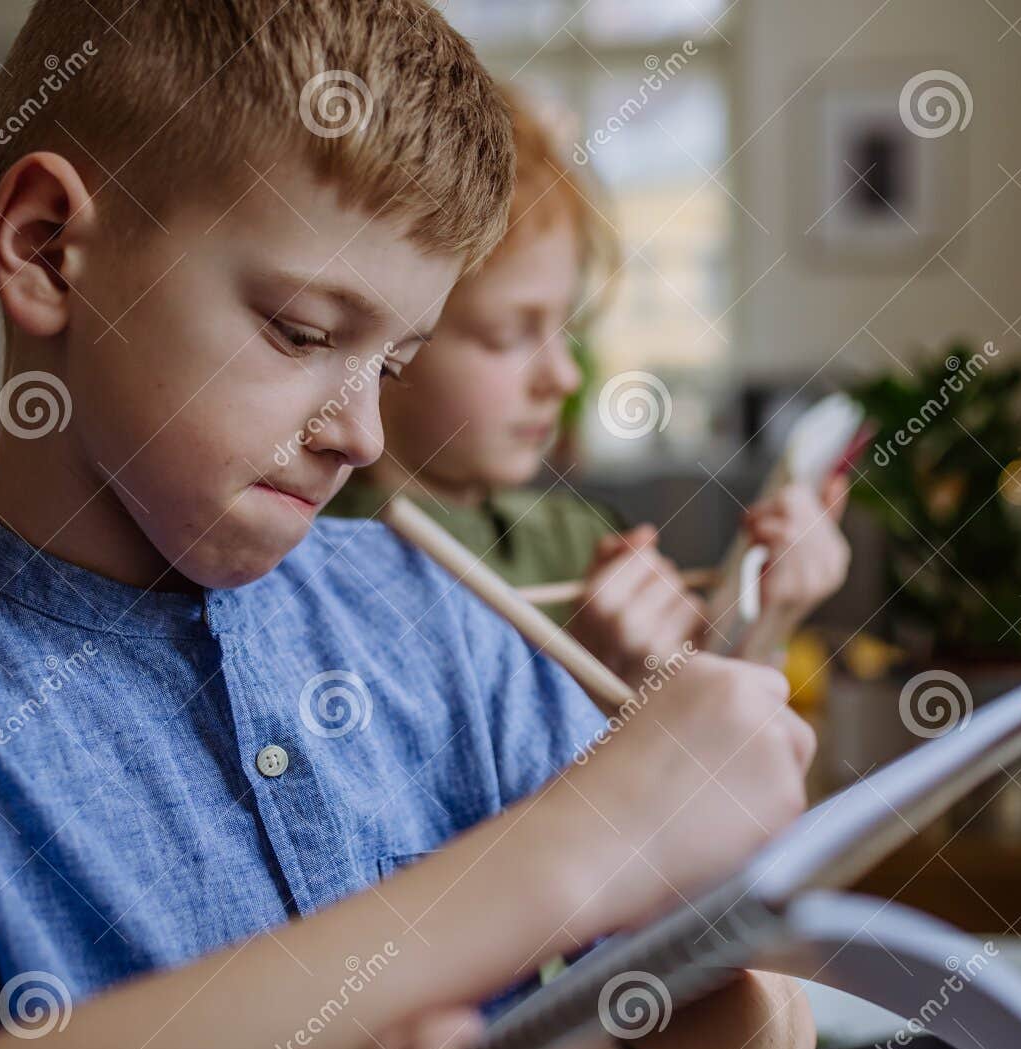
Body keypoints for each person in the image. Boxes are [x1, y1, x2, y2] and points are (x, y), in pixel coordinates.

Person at [0, 0, 814, 1049]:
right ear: (43, 250)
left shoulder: (449, 625)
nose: (364, 432)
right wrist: (567, 849)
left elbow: (749, 1034)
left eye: (397, 362)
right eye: (300, 331)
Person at [326, 90, 851, 687]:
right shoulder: (328, 570)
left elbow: (721, 763)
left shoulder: (579, 538)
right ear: (386, 336)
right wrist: (585, 692)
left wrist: (760, 623)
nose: (565, 376)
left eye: (565, 328)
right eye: (508, 334)